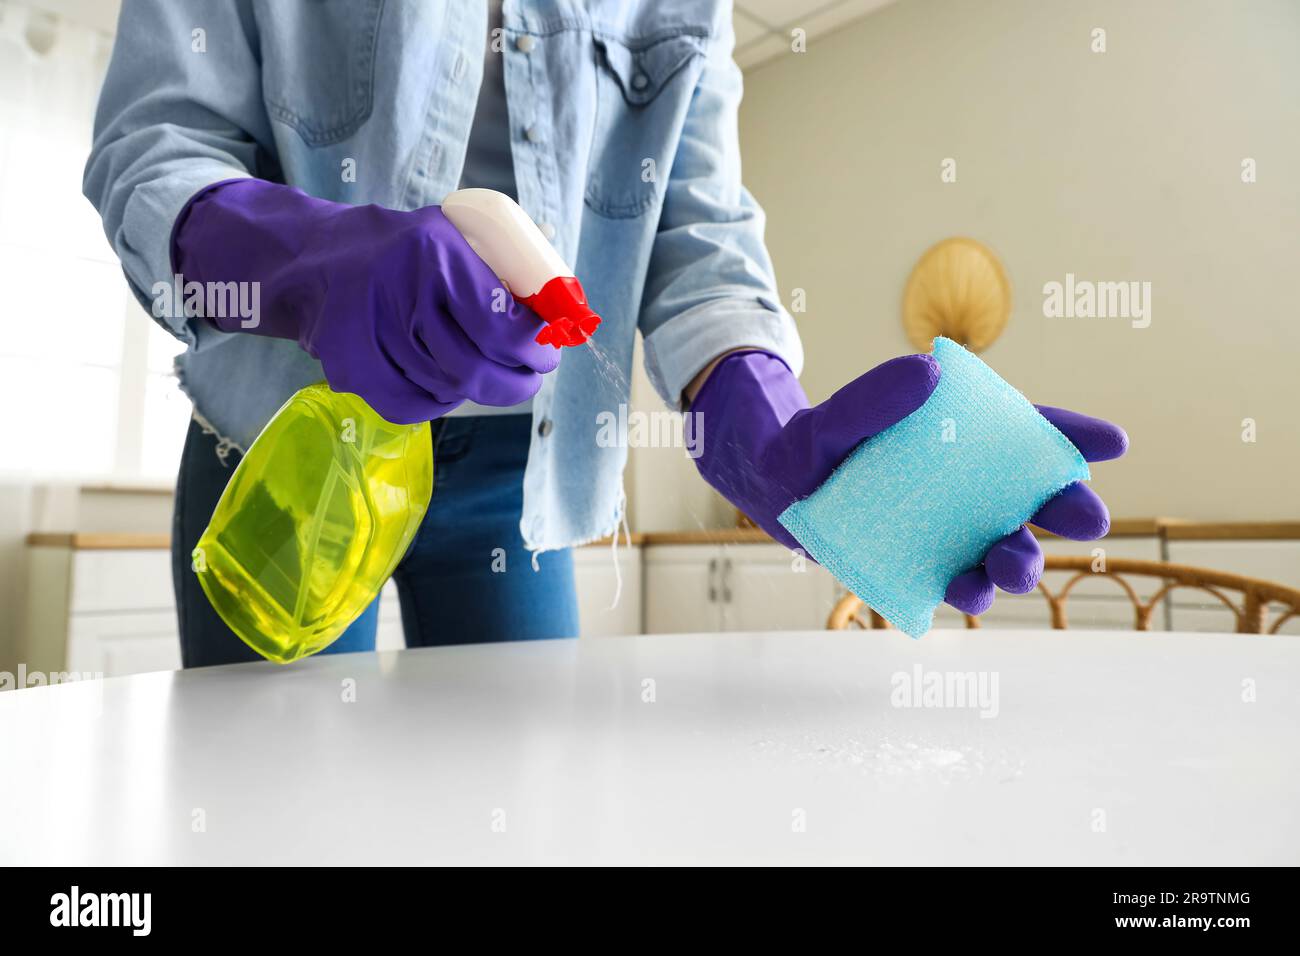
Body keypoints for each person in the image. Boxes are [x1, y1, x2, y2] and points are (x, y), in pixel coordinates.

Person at [84, 0, 1126, 667]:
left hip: (516, 484)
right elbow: (156, 149)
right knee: (270, 811)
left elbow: (695, 227)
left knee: (512, 815)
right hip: (274, 441)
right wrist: (308, 264)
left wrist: (755, 416)